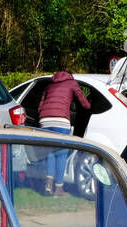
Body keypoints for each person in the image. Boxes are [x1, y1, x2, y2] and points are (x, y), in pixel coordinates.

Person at [37, 66, 90, 196]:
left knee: (50, 152)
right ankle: (58, 189)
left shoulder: (50, 85)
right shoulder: (72, 83)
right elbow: (84, 103)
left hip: (45, 121)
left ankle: (49, 184)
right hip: (61, 121)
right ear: (70, 76)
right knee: (61, 154)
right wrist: (90, 106)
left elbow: (40, 106)